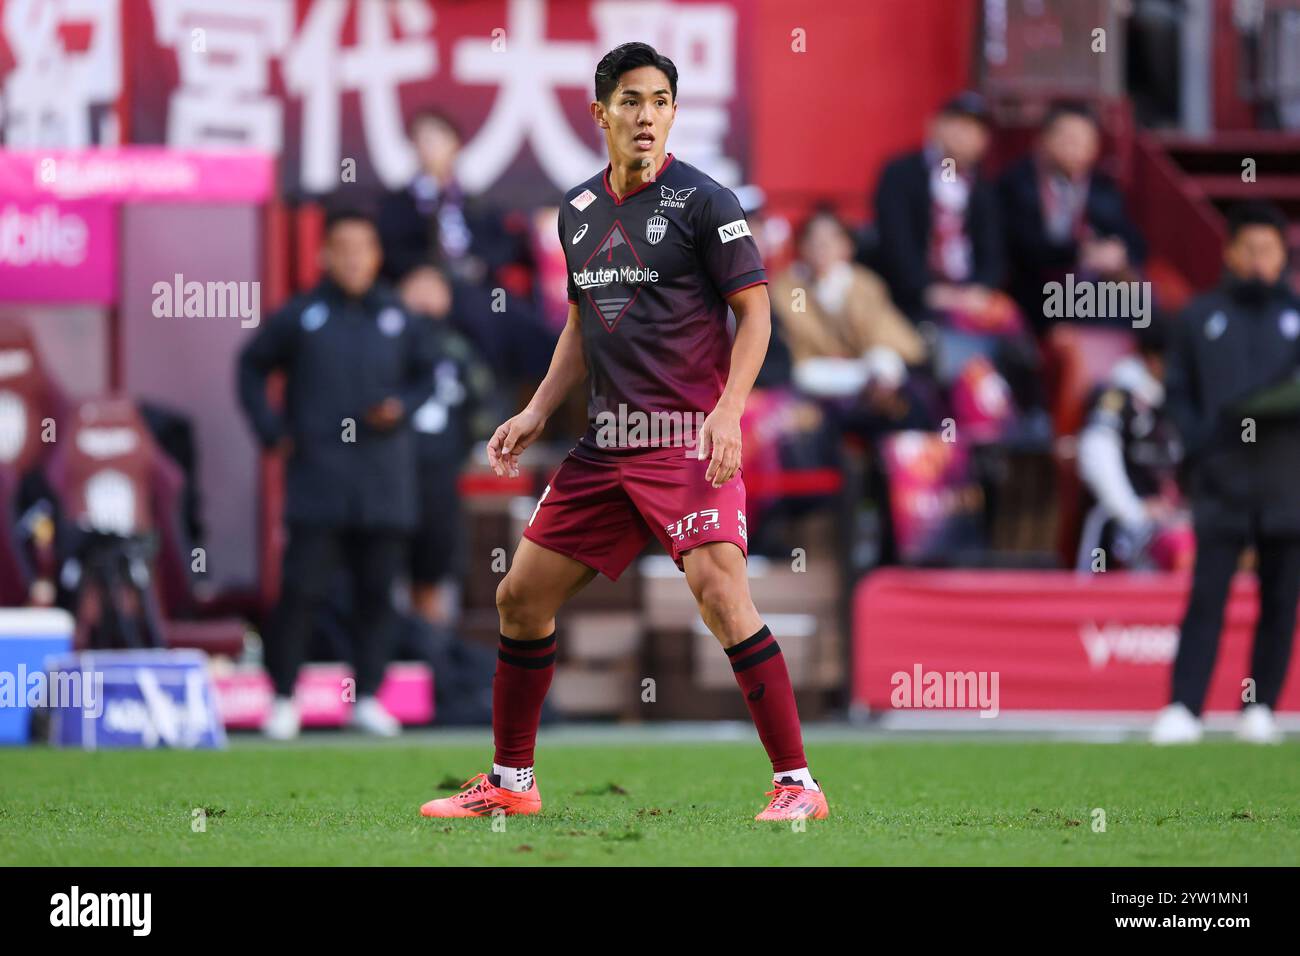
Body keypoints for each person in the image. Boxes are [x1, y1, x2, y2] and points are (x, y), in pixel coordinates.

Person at [419, 41, 829, 822]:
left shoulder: (708, 202)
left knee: (720, 595)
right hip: (605, 447)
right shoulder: (576, 213)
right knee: (520, 598)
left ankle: (798, 785)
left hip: (685, 439)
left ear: (675, 112)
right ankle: (510, 781)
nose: (647, 116)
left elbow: (756, 315)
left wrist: (730, 411)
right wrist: (538, 409)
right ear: (601, 111)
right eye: (633, 101)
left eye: (662, 102)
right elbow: (583, 322)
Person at [238, 210, 436, 740]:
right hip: (319, 479)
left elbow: (428, 375)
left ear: (376, 255)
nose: (353, 258)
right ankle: (282, 698)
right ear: (325, 255)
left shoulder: (399, 316)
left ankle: (368, 696)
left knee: (377, 592)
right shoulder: (302, 315)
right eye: (342, 248)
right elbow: (251, 367)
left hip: (384, 481)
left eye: (363, 248)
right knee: (301, 590)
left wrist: (402, 406)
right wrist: (270, 428)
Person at [1152, 201, 1300, 745]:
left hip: (1288, 480)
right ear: (1231, 250)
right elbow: (1178, 392)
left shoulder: (1296, 317)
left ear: (1284, 254)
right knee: (1207, 596)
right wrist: (1200, 446)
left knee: (1281, 598)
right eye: (1251, 248)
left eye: (1271, 249)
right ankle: (1184, 707)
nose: (1261, 259)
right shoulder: (1198, 316)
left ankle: (1260, 705)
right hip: (1222, 479)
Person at [771, 207, 935, 435]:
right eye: (814, 240)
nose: (822, 247)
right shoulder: (787, 287)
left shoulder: (864, 284)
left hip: (870, 375)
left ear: (847, 246)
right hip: (820, 378)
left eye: (831, 239)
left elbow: (887, 335)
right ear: (801, 246)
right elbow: (798, 350)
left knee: (894, 379)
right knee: (808, 390)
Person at [396, 263, 496, 627]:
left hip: (442, 472)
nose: (423, 296)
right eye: (415, 286)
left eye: (432, 288)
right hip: (390, 472)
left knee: (437, 562)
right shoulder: (387, 340)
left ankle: (434, 649)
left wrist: (470, 447)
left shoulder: (460, 350)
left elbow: (483, 407)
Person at [999, 102, 1146, 333]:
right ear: (1043, 140)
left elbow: (1132, 240)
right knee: (1113, 308)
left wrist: (1118, 254)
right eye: (1069, 139)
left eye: (1085, 141)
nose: (1077, 148)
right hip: (1036, 287)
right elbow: (1023, 247)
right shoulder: (1017, 184)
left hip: (1088, 288)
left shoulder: (1101, 187)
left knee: (1143, 303)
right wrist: (1081, 253)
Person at [873, 92, 1005, 320]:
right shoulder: (901, 174)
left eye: (974, 129)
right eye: (958, 124)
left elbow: (994, 250)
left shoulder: (985, 187)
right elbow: (895, 241)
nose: (964, 135)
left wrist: (980, 288)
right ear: (935, 125)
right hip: (913, 298)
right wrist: (926, 290)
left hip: (972, 298)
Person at [1075, 320, 1190, 571]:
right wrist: (1131, 510)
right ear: (1152, 359)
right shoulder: (1118, 400)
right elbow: (1095, 457)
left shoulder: (1178, 402)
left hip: (1172, 519)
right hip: (1124, 528)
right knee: (1181, 549)